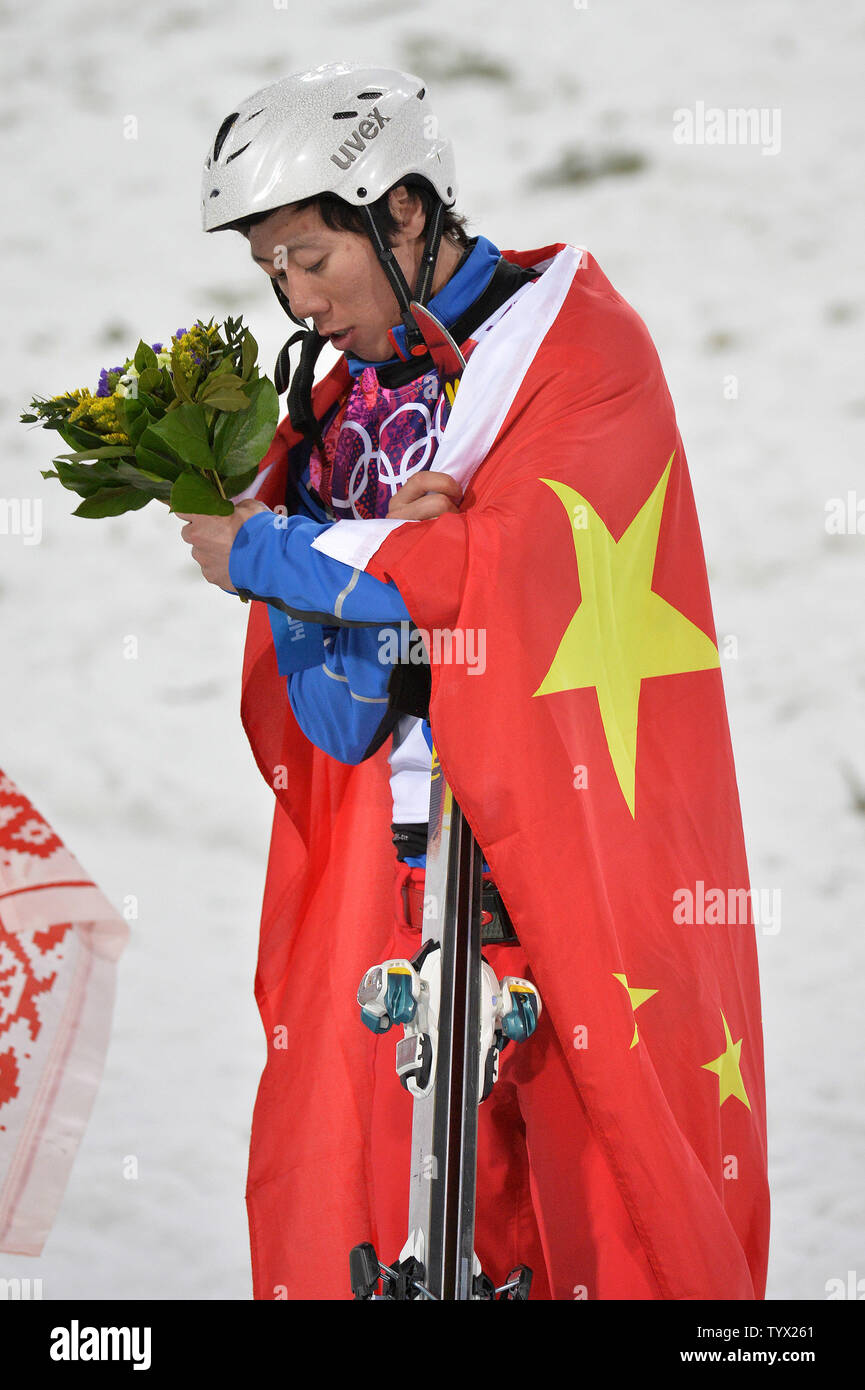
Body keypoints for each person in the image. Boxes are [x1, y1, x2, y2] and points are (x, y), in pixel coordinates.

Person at [180, 61, 770, 1301]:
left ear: (401, 210)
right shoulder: (339, 402)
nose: (295, 300)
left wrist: (289, 557)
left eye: (308, 258)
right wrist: (338, 571)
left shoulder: (580, 345)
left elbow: (479, 580)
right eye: (268, 271)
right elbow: (346, 713)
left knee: (594, 1218)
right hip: (403, 881)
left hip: (564, 867)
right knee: (403, 1219)